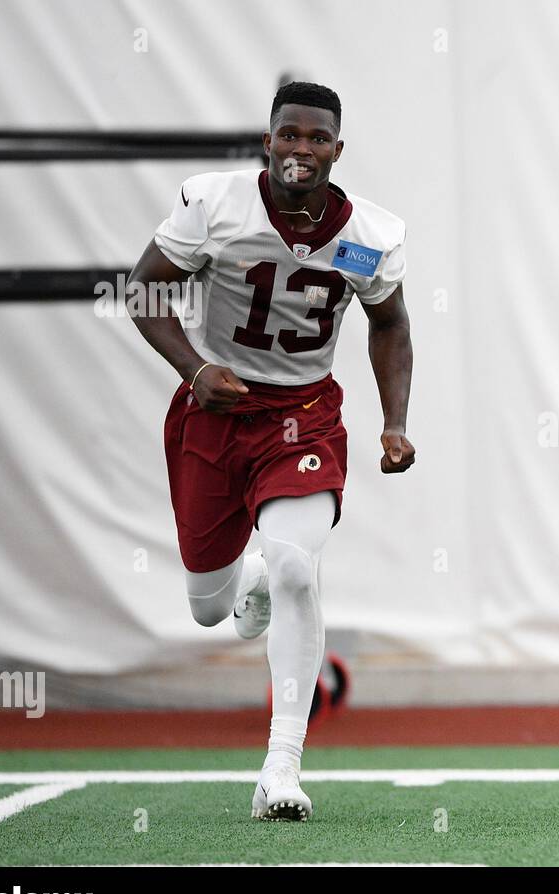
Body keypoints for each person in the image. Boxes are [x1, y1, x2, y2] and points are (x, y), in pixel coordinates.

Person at [127, 81, 415, 821]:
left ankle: (280, 767)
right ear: (268, 140)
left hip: (305, 415)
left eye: (317, 139)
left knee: (298, 567)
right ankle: (247, 570)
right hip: (217, 412)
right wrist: (195, 369)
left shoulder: (369, 235)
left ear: (337, 150)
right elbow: (145, 290)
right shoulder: (215, 204)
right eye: (289, 135)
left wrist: (394, 421)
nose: (301, 150)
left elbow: (390, 325)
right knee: (207, 607)